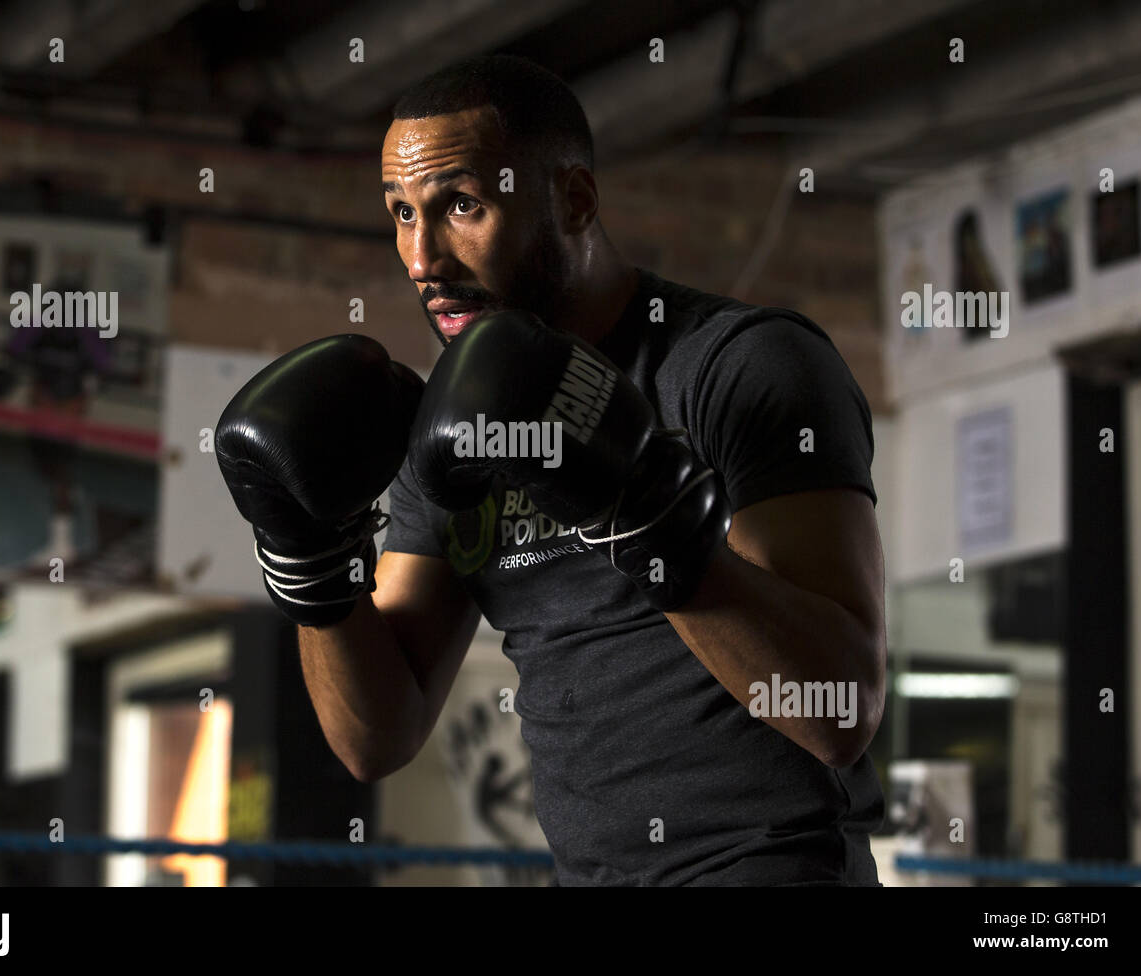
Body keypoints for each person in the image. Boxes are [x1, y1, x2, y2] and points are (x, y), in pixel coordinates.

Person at [217, 55, 886, 886]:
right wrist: (312, 563)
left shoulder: (738, 367)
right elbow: (375, 739)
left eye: (462, 206)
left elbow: (840, 713)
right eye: (401, 214)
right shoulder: (452, 431)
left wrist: (647, 519)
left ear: (573, 199)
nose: (423, 257)